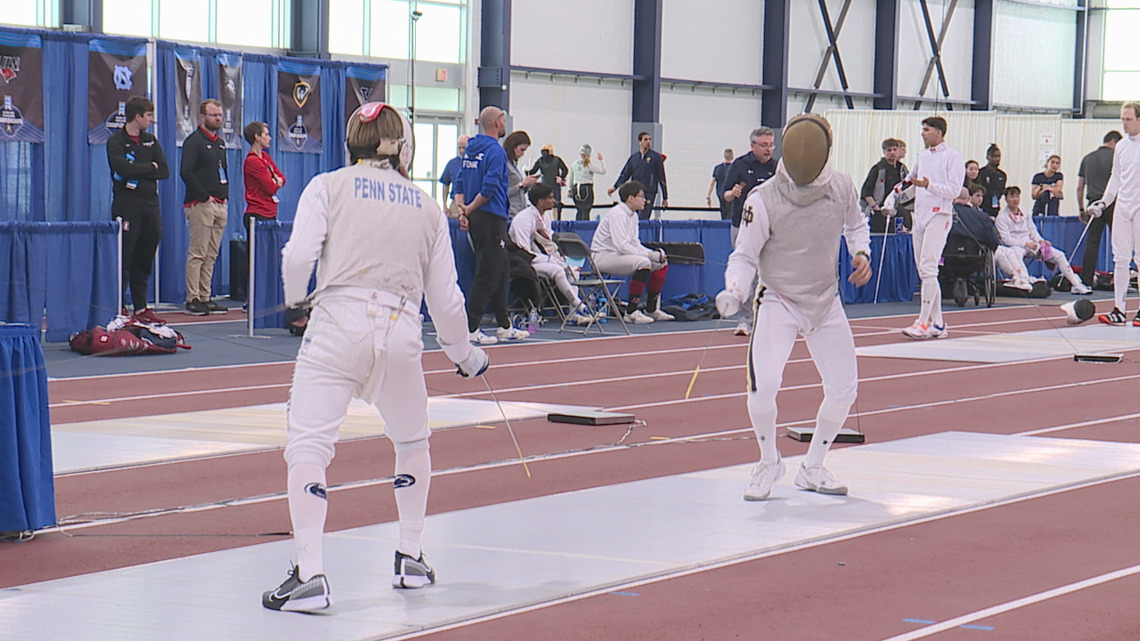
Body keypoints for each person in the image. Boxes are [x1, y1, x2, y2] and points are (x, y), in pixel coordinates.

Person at [264, 102, 490, 613]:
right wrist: (465, 355)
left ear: (352, 143)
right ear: (403, 147)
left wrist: (298, 297)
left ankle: (310, 575)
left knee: (309, 446)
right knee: (412, 441)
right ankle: (410, 557)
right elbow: (447, 300)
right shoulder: (427, 208)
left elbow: (298, 257)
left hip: (335, 330)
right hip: (401, 333)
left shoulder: (328, 185)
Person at [715, 113, 871, 501]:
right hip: (778, 299)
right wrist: (734, 289)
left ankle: (812, 466)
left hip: (824, 299)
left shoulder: (841, 187)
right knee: (763, 388)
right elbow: (745, 255)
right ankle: (769, 461)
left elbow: (856, 224)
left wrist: (861, 251)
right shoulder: (762, 199)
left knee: (844, 388)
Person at [453, 106, 530, 344]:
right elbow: (489, 188)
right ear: (497, 123)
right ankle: (471, 327)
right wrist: (469, 209)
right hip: (490, 216)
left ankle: (504, 325)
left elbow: (459, 183)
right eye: (503, 120)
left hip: (478, 215)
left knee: (502, 267)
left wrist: (462, 211)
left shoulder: (470, 149)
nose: (505, 124)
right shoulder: (496, 152)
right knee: (488, 271)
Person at [106, 95, 170, 325]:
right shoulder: (116, 141)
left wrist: (137, 169)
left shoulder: (151, 141)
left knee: (144, 257)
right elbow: (120, 168)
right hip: (127, 205)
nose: (151, 120)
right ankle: (119, 305)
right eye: (149, 116)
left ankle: (141, 307)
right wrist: (148, 167)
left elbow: (163, 171)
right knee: (125, 256)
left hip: (150, 206)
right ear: (138, 116)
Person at [900, 116, 964, 340]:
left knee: (928, 268)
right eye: (922, 130)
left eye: (926, 130)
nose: (922, 133)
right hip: (920, 216)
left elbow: (955, 191)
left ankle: (923, 322)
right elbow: (908, 181)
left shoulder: (953, 157)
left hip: (940, 215)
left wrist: (929, 185)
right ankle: (938, 323)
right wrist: (892, 199)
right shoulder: (923, 156)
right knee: (925, 271)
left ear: (938, 132)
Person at [508, 183, 593, 324]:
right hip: (522, 262)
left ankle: (573, 315)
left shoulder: (545, 218)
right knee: (558, 270)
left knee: (573, 269)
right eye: (551, 198)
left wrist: (559, 258)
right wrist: (550, 260)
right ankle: (580, 305)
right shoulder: (523, 219)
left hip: (539, 258)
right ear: (541, 201)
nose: (554, 201)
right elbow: (523, 251)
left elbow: (548, 244)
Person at [722, 127, 779, 336]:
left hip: (771, 228)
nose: (768, 149)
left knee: (769, 273)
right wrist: (732, 193)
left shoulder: (777, 167)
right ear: (753, 145)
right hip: (742, 226)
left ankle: (768, 317)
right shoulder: (740, 165)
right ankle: (745, 319)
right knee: (747, 272)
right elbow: (725, 195)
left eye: (771, 145)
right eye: (764, 145)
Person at [592, 181, 674, 323]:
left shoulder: (633, 215)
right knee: (643, 262)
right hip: (602, 257)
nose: (645, 200)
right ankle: (631, 312)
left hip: (617, 256)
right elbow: (621, 246)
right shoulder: (618, 214)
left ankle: (651, 309)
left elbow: (635, 243)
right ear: (630, 198)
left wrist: (654, 254)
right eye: (641, 196)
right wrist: (648, 255)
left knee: (661, 263)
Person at [1088, 103, 1140, 326]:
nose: (1124, 123)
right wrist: (1104, 202)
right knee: (1119, 259)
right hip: (1122, 206)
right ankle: (1119, 309)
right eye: (1122, 119)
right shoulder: (1120, 146)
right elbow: (1116, 178)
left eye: (1128, 119)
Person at [181, 98, 230, 316]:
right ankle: (192, 297)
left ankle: (205, 295)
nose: (218, 119)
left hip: (220, 204)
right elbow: (186, 171)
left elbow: (223, 171)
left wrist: (224, 196)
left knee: (211, 254)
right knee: (198, 253)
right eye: (213, 115)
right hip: (201, 204)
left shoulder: (220, 143)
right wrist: (204, 196)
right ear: (202, 117)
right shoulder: (194, 141)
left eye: (219, 115)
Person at [996, 186, 1090, 294]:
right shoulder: (1002, 217)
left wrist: (1041, 241)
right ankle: (1025, 281)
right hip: (1016, 246)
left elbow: (1032, 231)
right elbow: (1006, 239)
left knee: (1059, 255)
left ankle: (1076, 285)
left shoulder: (1024, 212)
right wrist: (1025, 243)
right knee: (1015, 253)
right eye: (1012, 197)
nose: (1015, 199)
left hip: (1032, 245)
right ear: (1006, 199)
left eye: (1017, 196)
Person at [1077, 130, 1122, 287]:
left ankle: (1086, 280)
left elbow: (1080, 187)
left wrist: (1081, 209)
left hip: (1093, 204)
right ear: (1114, 142)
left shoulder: (1087, 159)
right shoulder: (1115, 158)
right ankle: (1120, 278)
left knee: (1092, 243)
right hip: (1113, 204)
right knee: (1119, 243)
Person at [608, 132, 668, 220]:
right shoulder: (634, 158)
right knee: (633, 217)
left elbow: (661, 177)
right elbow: (625, 174)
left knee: (643, 217)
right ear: (640, 142)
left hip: (649, 192)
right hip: (635, 192)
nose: (648, 142)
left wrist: (665, 197)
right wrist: (615, 186)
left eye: (649, 139)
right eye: (645, 139)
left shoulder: (655, 157)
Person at [242, 121, 286, 233]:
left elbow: (283, 178)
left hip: (270, 213)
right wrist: (276, 181)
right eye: (266, 135)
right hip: (258, 214)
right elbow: (270, 187)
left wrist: (275, 179)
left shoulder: (265, 157)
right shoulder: (252, 161)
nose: (270, 138)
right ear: (257, 137)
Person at [860, 137, 909, 232]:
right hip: (879, 213)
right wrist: (876, 208)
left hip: (896, 212)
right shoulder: (877, 169)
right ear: (884, 152)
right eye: (889, 150)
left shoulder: (902, 169)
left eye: (895, 150)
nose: (892, 152)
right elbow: (866, 192)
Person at [504, 130, 538, 219]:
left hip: (518, 212)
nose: (523, 154)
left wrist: (526, 185)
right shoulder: (504, 165)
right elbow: (501, 193)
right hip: (510, 213)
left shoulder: (513, 164)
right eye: (521, 150)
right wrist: (521, 184)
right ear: (513, 147)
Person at [568, 144, 606, 221]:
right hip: (586, 188)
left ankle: (577, 227)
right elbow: (603, 171)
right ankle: (584, 228)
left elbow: (570, 178)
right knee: (586, 210)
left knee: (579, 210)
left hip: (576, 188)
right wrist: (602, 161)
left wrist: (570, 189)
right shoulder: (589, 165)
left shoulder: (574, 164)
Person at [527, 144, 568, 211]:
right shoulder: (540, 160)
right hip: (544, 185)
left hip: (555, 184)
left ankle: (556, 219)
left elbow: (565, 170)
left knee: (556, 203)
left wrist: (561, 177)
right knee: (543, 202)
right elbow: (533, 171)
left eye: (546, 151)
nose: (544, 154)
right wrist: (526, 171)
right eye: (543, 152)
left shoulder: (556, 160)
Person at [438, 135, 469, 217]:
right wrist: (444, 204)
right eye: (459, 148)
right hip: (456, 204)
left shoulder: (477, 163)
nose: (462, 151)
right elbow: (445, 184)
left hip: (471, 203)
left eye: (464, 147)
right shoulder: (452, 164)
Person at [977, 143, 1007, 218]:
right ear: (988, 157)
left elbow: (1001, 191)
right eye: (994, 156)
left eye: (999, 156)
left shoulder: (1002, 175)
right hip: (982, 208)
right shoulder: (981, 173)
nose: (997, 159)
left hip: (995, 208)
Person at [706, 148, 734, 220]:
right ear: (732, 156)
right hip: (731, 194)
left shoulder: (717, 168)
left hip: (721, 194)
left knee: (724, 213)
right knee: (730, 214)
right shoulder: (734, 168)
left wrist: (708, 196)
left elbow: (712, 183)